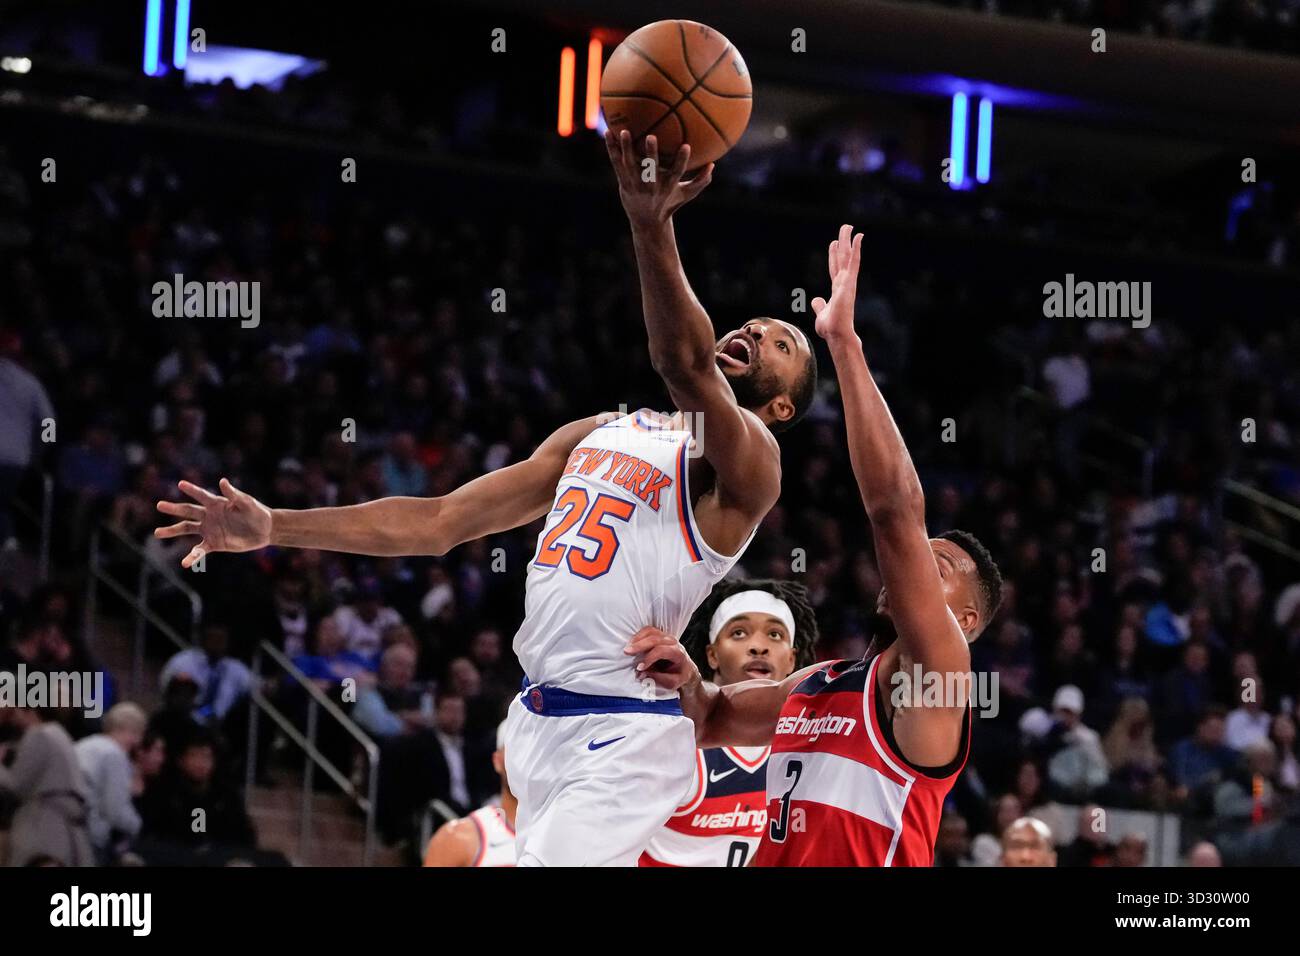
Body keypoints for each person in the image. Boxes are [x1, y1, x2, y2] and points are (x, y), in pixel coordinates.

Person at [154, 134, 821, 866]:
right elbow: (439, 521)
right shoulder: (600, 432)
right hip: (537, 720)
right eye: (754, 323)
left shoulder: (752, 464)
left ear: (784, 407)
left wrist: (650, 221)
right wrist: (276, 524)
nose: (756, 330)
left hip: (629, 730)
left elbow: (683, 364)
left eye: (781, 341)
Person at [628, 226, 1004, 866]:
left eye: (937, 568)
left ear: (966, 621)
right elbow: (714, 721)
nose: (909, 568)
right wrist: (685, 675)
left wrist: (843, 345)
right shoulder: (818, 683)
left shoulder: (937, 677)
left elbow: (893, 513)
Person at [639, 580, 816, 867]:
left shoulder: (805, 748)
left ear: (792, 660)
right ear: (712, 655)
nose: (758, 647)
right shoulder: (676, 737)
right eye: (739, 633)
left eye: (774, 634)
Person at [0, 705, 93, 866]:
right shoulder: (58, 732)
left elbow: (16, 784)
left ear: (29, 711)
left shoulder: (38, 734)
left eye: (15, 712)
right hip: (63, 822)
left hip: (44, 822)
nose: (12, 718)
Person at [423, 721, 517, 867]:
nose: (526, 761)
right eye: (517, 749)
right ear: (497, 760)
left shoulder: (562, 831)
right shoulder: (458, 837)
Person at [75, 702, 147, 863]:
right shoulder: (113, 754)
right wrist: (140, 827)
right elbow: (115, 811)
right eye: (138, 734)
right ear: (131, 730)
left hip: (71, 833)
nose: (138, 742)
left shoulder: (84, 745)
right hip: (91, 839)